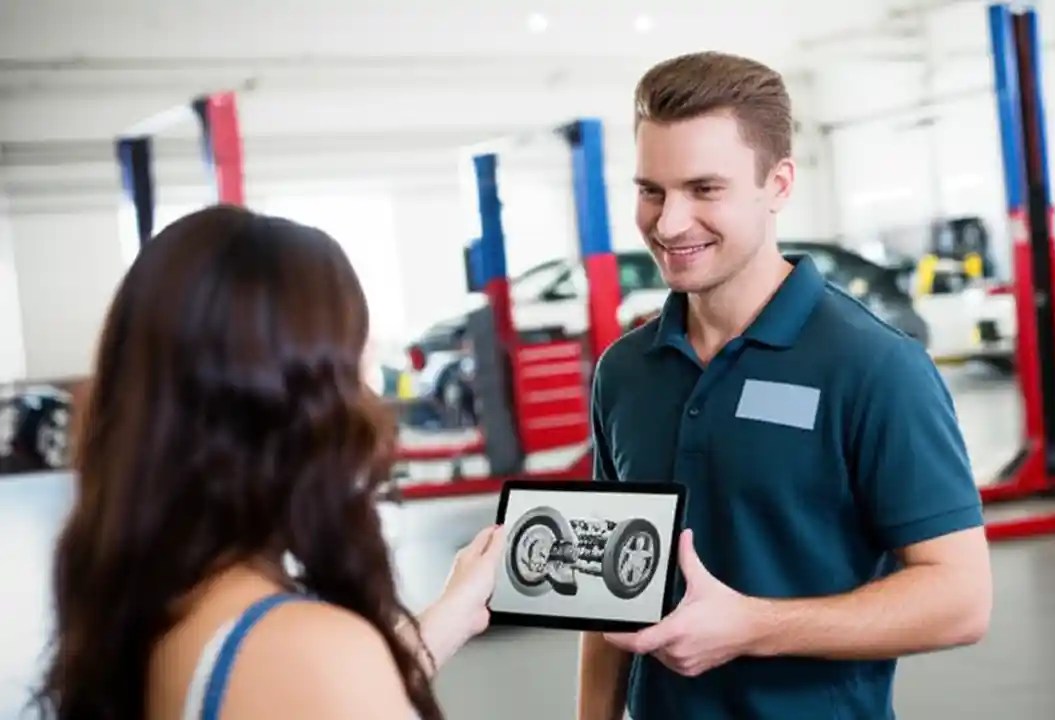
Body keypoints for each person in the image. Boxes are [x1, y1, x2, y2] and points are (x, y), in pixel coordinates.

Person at [577, 51, 993, 720]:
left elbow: (961, 600)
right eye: (651, 189)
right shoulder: (625, 371)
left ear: (778, 183)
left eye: (704, 189)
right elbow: (610, 593)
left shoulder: (875, 367)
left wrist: (751, 626)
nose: (668, 222)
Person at [31, 205, 505, 720]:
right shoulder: (310, 652)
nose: (368, 404)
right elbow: (323, 683)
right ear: (298, 409)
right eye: (351, 371)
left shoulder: (157, 604)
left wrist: (452, 615)